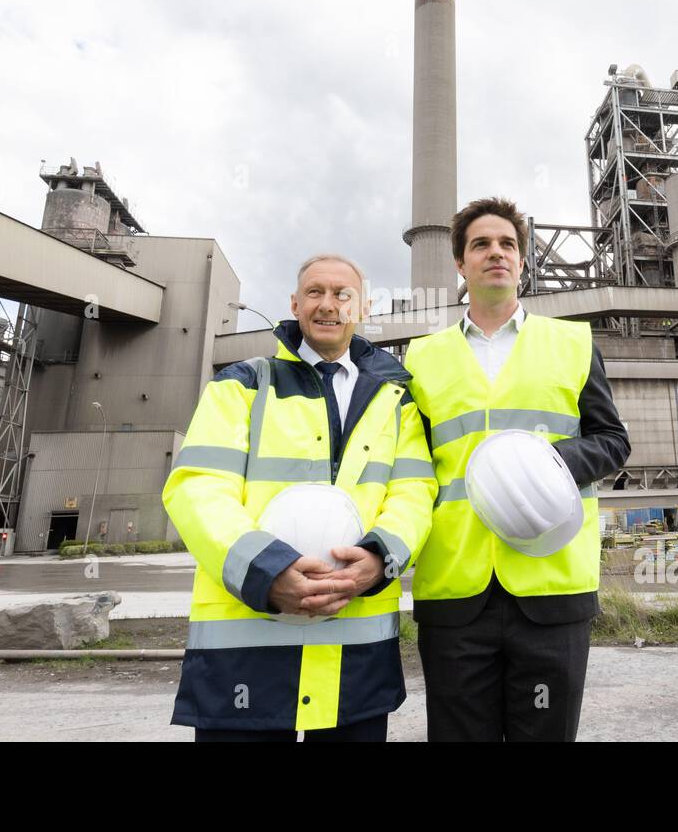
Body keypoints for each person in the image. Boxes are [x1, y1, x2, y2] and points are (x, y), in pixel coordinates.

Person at [163, 254, 436, 741]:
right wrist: (266, 572)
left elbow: (415, 493)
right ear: (294, 304)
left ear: (362, 308)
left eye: (342, 294)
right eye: (315, 293)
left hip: (356, 658)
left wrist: (380, 560)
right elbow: (197, 488)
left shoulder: (395, 400)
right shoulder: (243, 385)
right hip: (246, 656)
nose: (328, 305)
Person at [404, 197, 632, 741]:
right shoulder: (420, 357)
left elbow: (613, 441)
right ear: (460, 263)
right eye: (480, 244)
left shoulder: (572, 343)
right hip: (456, 594)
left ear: (523, 261)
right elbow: (408, 467)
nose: (495, 253)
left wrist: (548, 465)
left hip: (551, 589)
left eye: (507, 244)